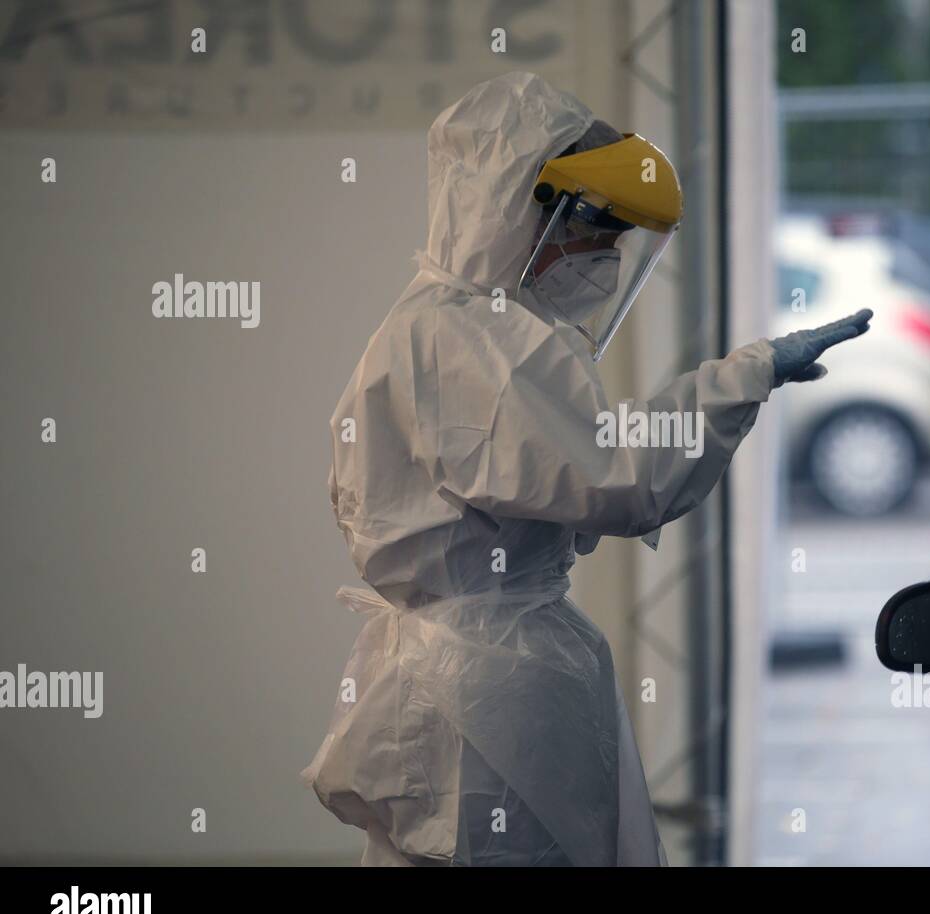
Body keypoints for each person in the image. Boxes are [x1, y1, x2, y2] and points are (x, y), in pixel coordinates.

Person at [301, 71, 871, 866]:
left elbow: (559, 474)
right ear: (512, 206)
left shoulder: (445, 327)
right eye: (593, 225)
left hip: (467, 676)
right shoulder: (472, 342)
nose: (604, 253)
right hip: (484, 692)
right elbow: (622, 478)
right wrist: (749, 374)